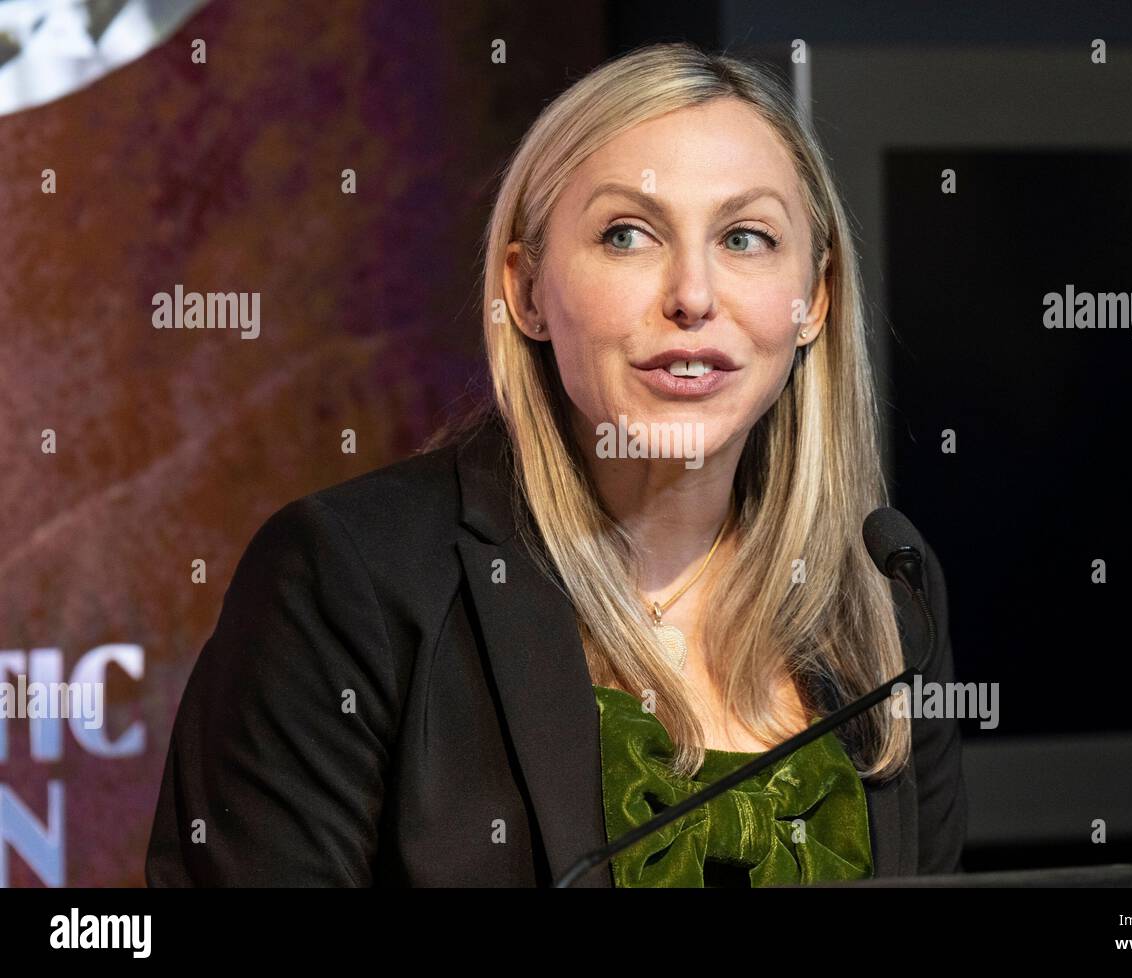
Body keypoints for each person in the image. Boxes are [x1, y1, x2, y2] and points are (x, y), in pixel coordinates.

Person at [145, 40, 966, 887]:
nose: (693, 293)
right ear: (527, 289)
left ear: (814, 301)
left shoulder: (883, 596)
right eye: (627, 235)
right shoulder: (347, 578)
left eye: (746, 237)